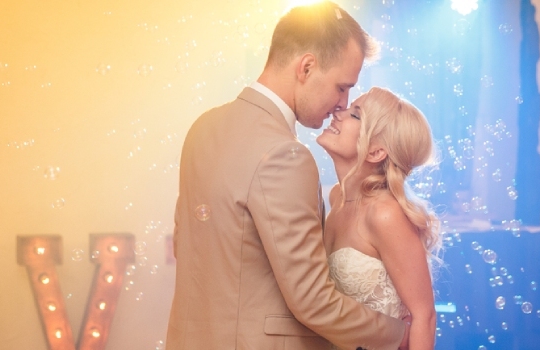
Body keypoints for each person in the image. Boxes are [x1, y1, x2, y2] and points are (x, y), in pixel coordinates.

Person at [166, 2, 410, 349]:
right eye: (342, 86)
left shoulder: (202, 128)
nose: (344, 103)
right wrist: (397, 334)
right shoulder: (286, 155)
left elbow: (188, 247)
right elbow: (313, 300)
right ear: (306, 67)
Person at [317, 87, 441, 350]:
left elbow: (424, 317)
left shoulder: (385, 213)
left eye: (355, 115)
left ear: (375, 152)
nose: (339, 112)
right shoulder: (336, 197)